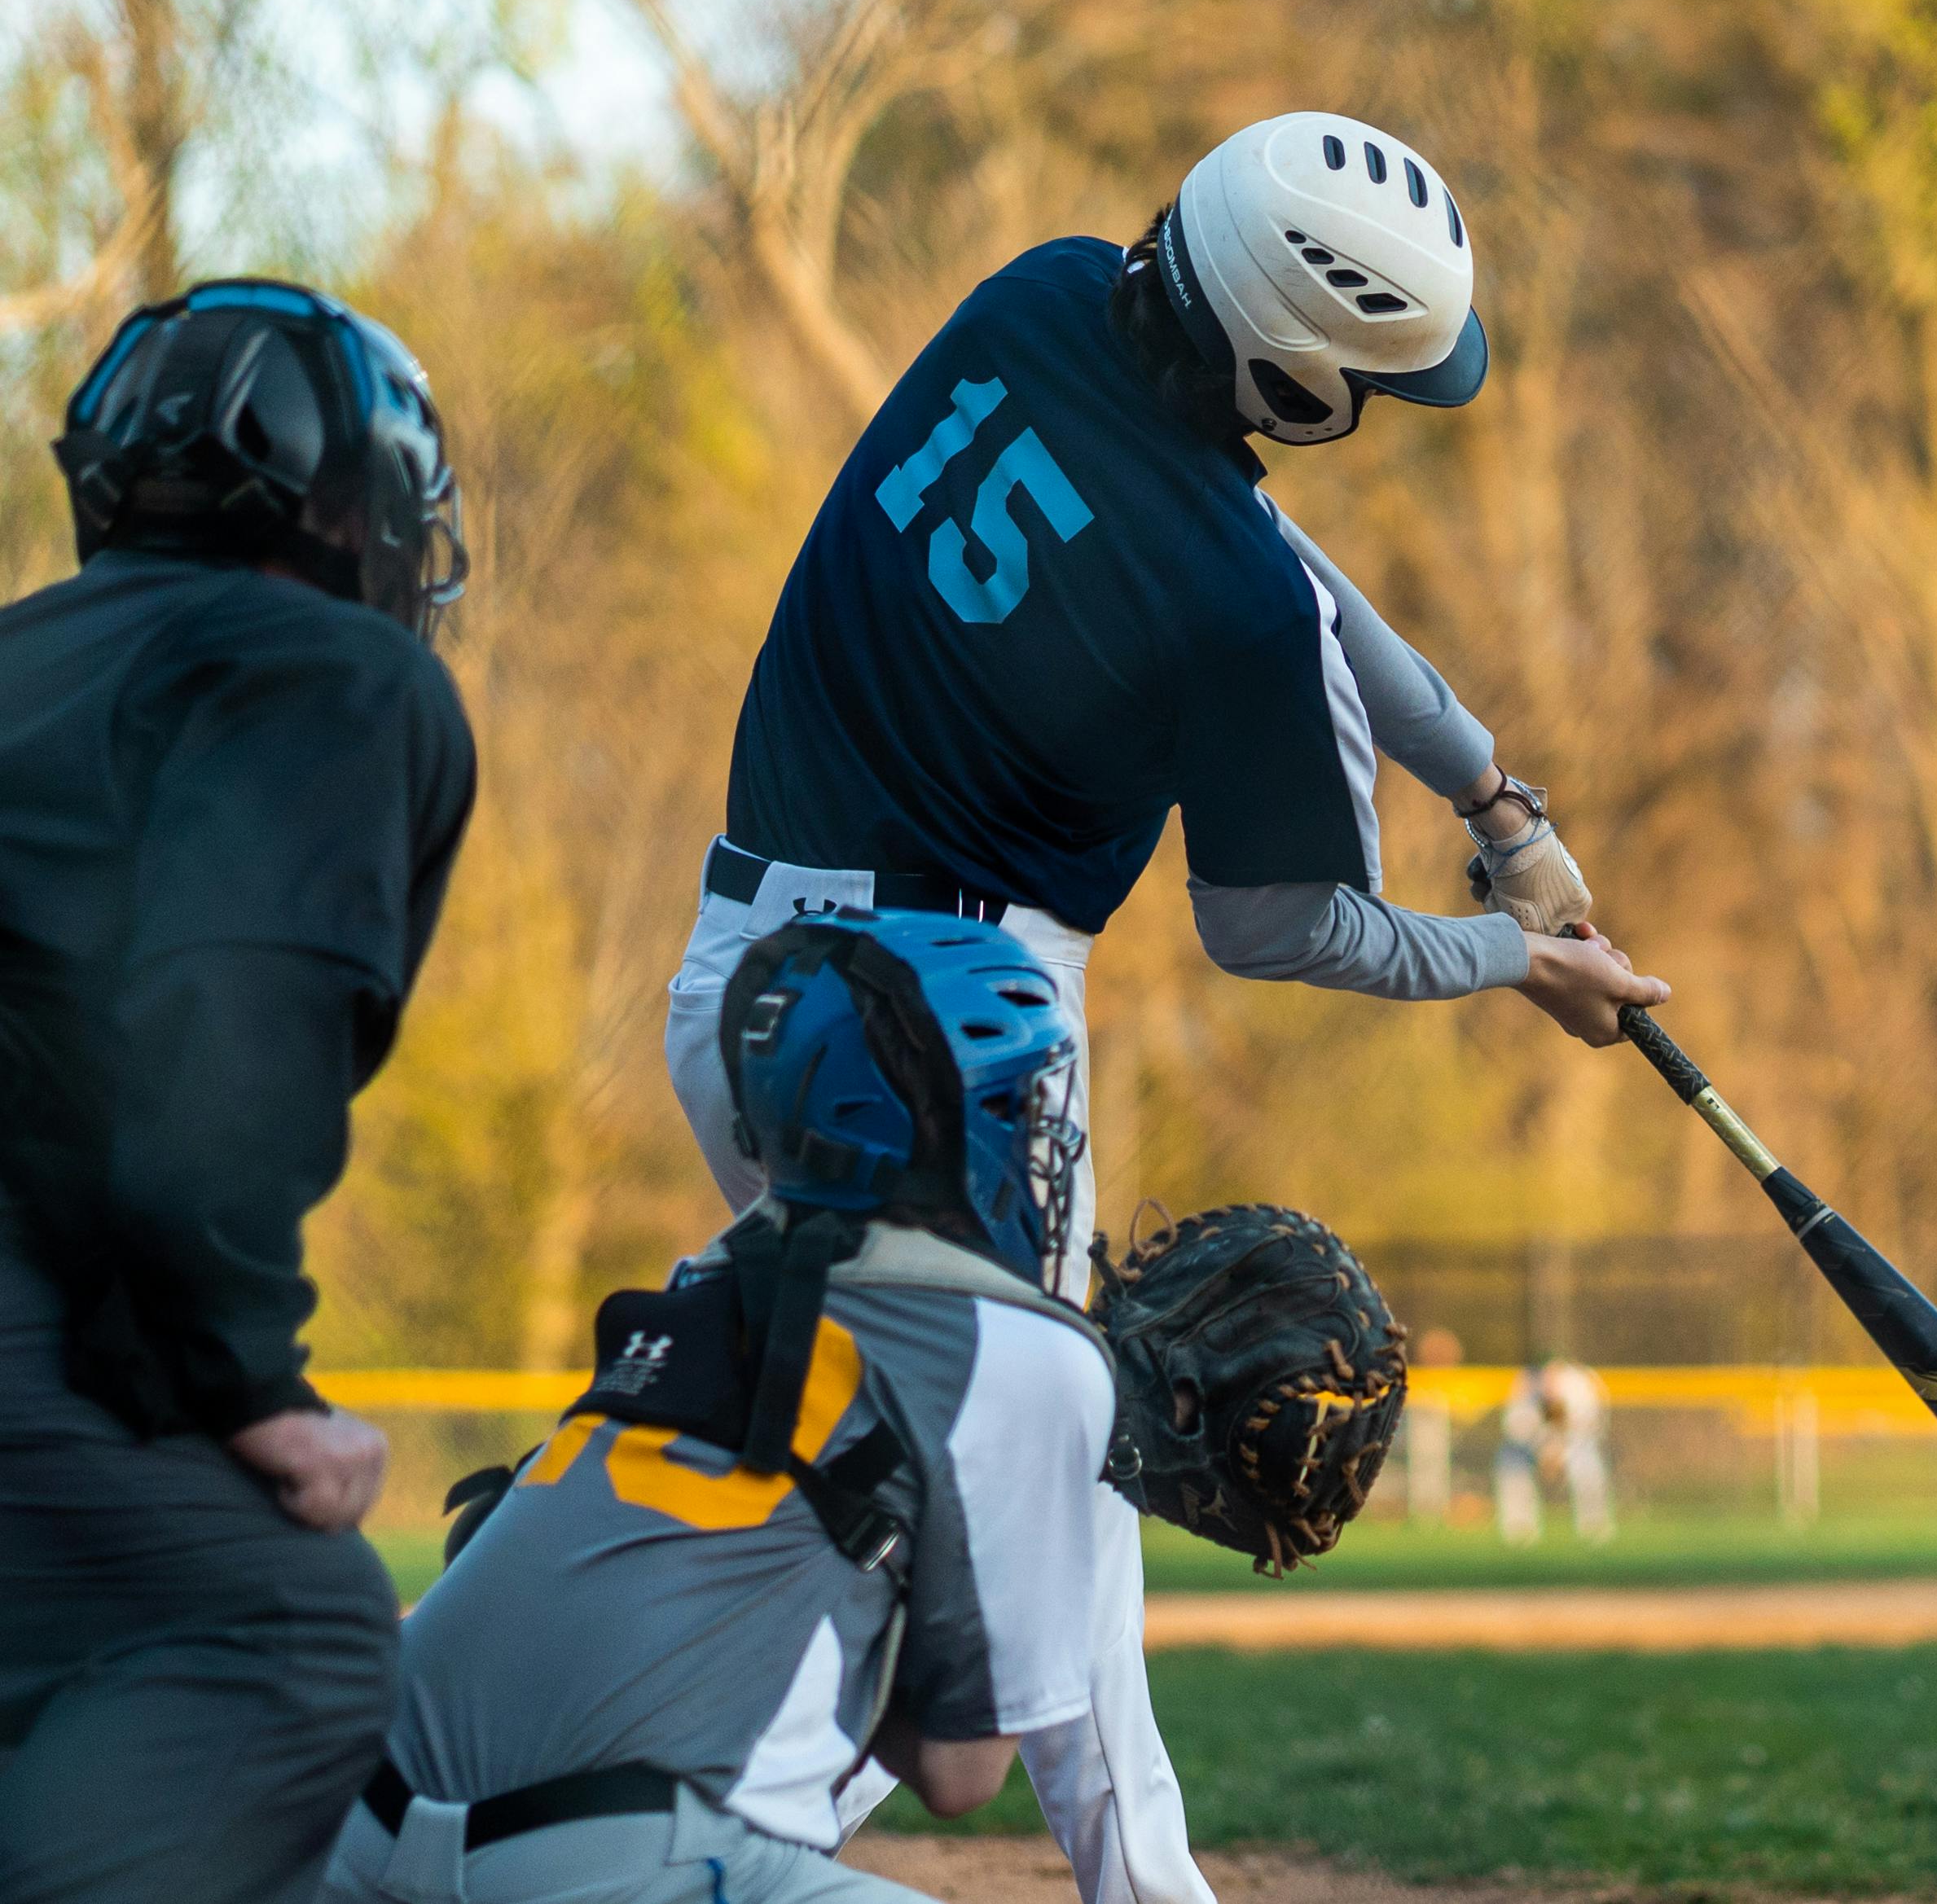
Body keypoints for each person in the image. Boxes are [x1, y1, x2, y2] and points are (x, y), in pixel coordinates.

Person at [666, 110, 1667, 1244]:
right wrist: (1517, 961)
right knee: (1026, 1420)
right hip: (940, 1033)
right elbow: (1272, 929)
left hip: (734, 981)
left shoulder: (1040, 293)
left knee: (824, 1402)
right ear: (1292, 383)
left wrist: (1498, 805)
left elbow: (1276, 553)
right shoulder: (1242, 613)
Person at [327, 909, 1406, 1904]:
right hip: (608, 1864)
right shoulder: (1025, 1351)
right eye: (1011, 1106)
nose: (1043, 1141)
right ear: (929, 1132)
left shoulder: (711, 1274)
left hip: (344, 1829)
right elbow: (955, 1768)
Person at [0, 279, 476, 1902]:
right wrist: (250, 1383)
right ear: (342, 500)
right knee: (291, 1632)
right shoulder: (321, 664)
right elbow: (218, 1030)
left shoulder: (32, 662)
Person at [1493, 1356, 1612, 1546]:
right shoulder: (1525, 1382)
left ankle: (1594, 1527)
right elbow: (1514, 1427)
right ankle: (1519, 1529)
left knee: (1587, 1462)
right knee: (1511, 1459)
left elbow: (1589, 1425)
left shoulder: (1579, 1383)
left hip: (1574, 1442)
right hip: (1533, 1444)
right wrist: (1544, 1449)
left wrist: (1559, 1449)